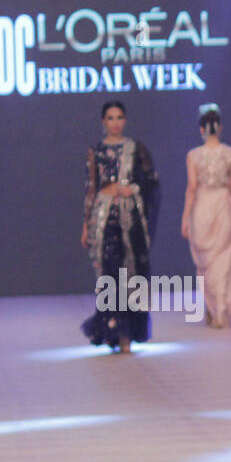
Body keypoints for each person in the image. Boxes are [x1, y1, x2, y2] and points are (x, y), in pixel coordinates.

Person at [80, 100, 158, 353]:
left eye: (119, 117)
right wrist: (86, 224)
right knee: (109, 275)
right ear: (103, 122)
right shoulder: (96, 151)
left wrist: (131, 189)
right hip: (104, 223)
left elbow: (151, 183)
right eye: (110, 118)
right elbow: (91, 189)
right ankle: (112, 330)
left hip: (131, 222)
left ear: (125, 120)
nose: (115, 123)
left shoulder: (136, 149)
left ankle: (127, 334)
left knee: (130, 275)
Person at [181, 105, 231, 329]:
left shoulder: (194, 155)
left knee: (205, 263)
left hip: (202, 207)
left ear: (201, 129)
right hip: (223, 205)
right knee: (223, 260)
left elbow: (192, 187)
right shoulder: (230, 153)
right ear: (220, 128)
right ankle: (220, 309)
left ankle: (212, 308)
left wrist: (185, 217)